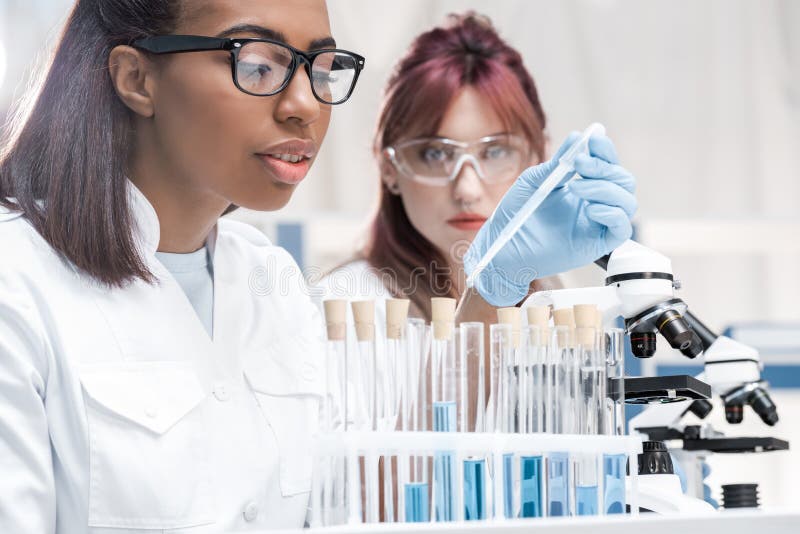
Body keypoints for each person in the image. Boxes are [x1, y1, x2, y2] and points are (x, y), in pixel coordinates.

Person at [0, 2, 635, 532]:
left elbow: (371, 504)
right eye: (258, 63)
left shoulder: (268, 285)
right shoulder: (19, 284)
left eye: (321, 67)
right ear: (137, 79)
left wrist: (493, 284)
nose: (304, 103)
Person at [319, 13, 636, 330]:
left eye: (495, 152)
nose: (467, 190)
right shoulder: (344, 305)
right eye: (435, 153)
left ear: (539, 158)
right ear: (389, 168)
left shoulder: (555, 294)